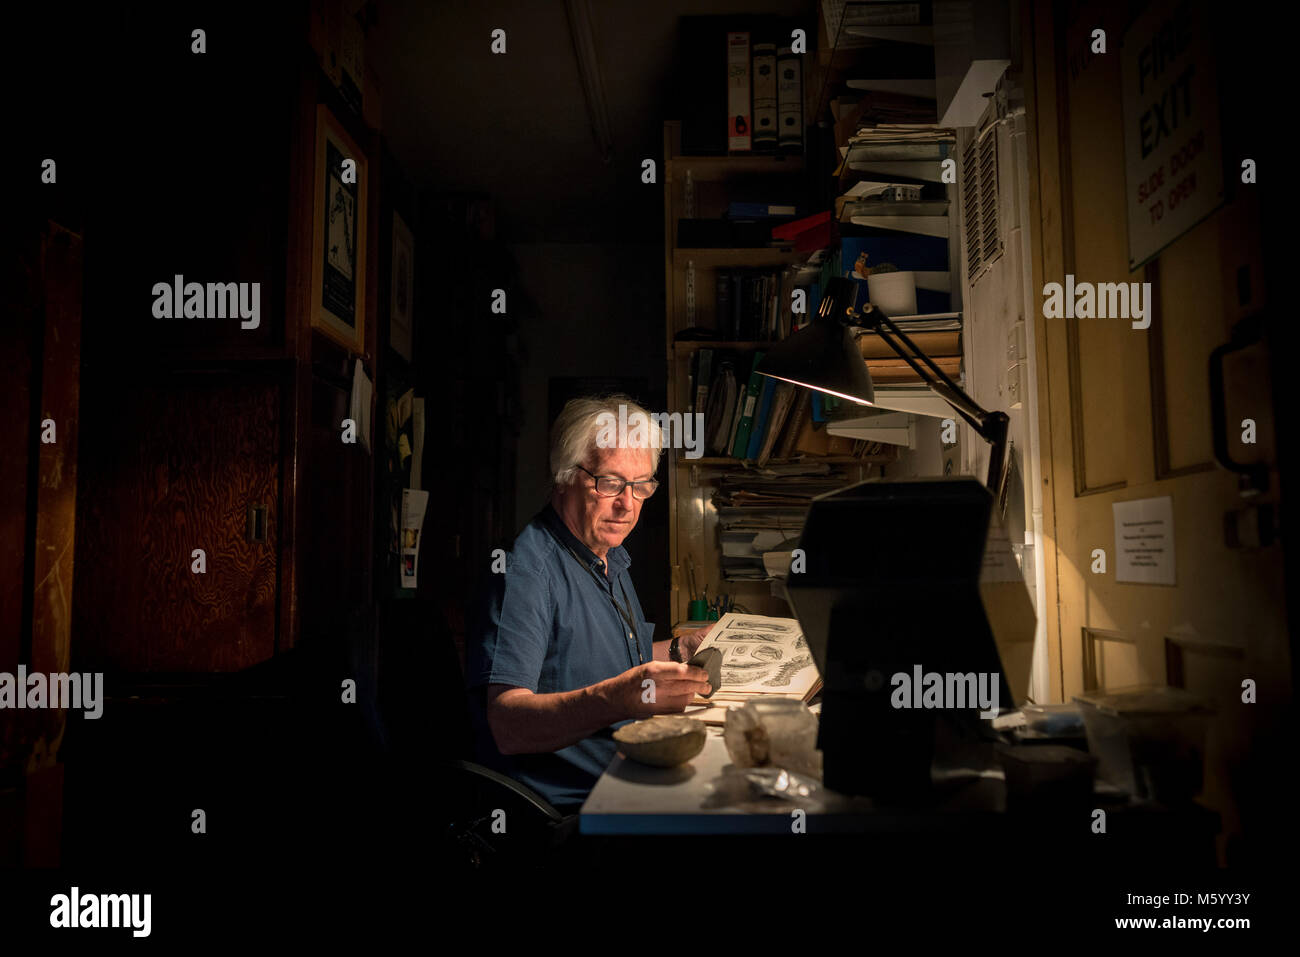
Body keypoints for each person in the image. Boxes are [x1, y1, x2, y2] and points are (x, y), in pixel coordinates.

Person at [465, 395, 713, 813]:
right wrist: (619, 700)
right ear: (564, 476)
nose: (627, 505)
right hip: (569, 813)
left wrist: (678, 649)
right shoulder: (525, 572)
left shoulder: (605, 552)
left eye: (641, 486)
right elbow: (508, 724)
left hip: (625, 778)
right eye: (610, 483)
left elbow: (597, 663)